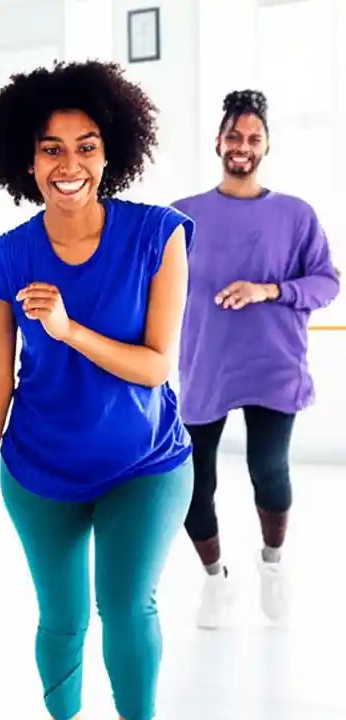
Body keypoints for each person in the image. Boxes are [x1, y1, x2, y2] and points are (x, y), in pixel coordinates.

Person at [0, 61, 194, 720]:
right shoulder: (5, 258)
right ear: (26, 161)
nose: (70, 163)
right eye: (51, 148)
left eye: (86, 145)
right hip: (39, 470)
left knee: (124, 606)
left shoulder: (159, 235)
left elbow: (154, 367)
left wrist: (67, 329)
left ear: (110, 152)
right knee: (62, 620)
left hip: (144, 463)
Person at [171, 89, 339, 629]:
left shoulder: (294, 215)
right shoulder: (183, 215)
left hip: (273, 365)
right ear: (218, 141)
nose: (242, 146)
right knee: (194, 484)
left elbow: (326, 283)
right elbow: (145, 281)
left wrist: (267, 291)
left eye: (253, 138)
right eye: (234, 136)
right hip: (205, 366)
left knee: (268, 469)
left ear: (266, 146)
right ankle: (215, 578)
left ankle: (271, 566)